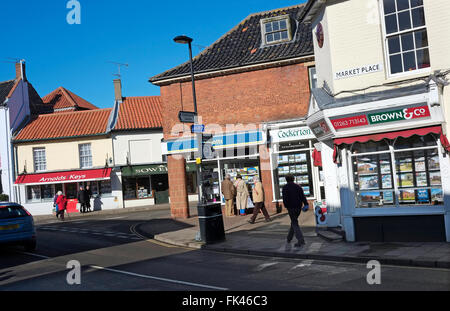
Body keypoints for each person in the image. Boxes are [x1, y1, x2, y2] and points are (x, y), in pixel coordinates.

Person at [282, 174, 309, 248]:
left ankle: (301, 240)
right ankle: (289, 238)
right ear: (293, 179)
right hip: (298, 207)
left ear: (286, 179)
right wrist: (306, 204)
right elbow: (302, 196)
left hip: (291, 208)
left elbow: (285, 199)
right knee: (293, 222)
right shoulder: (298, 186)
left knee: (294, 223)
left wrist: (286, 206)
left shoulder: (285, 187)